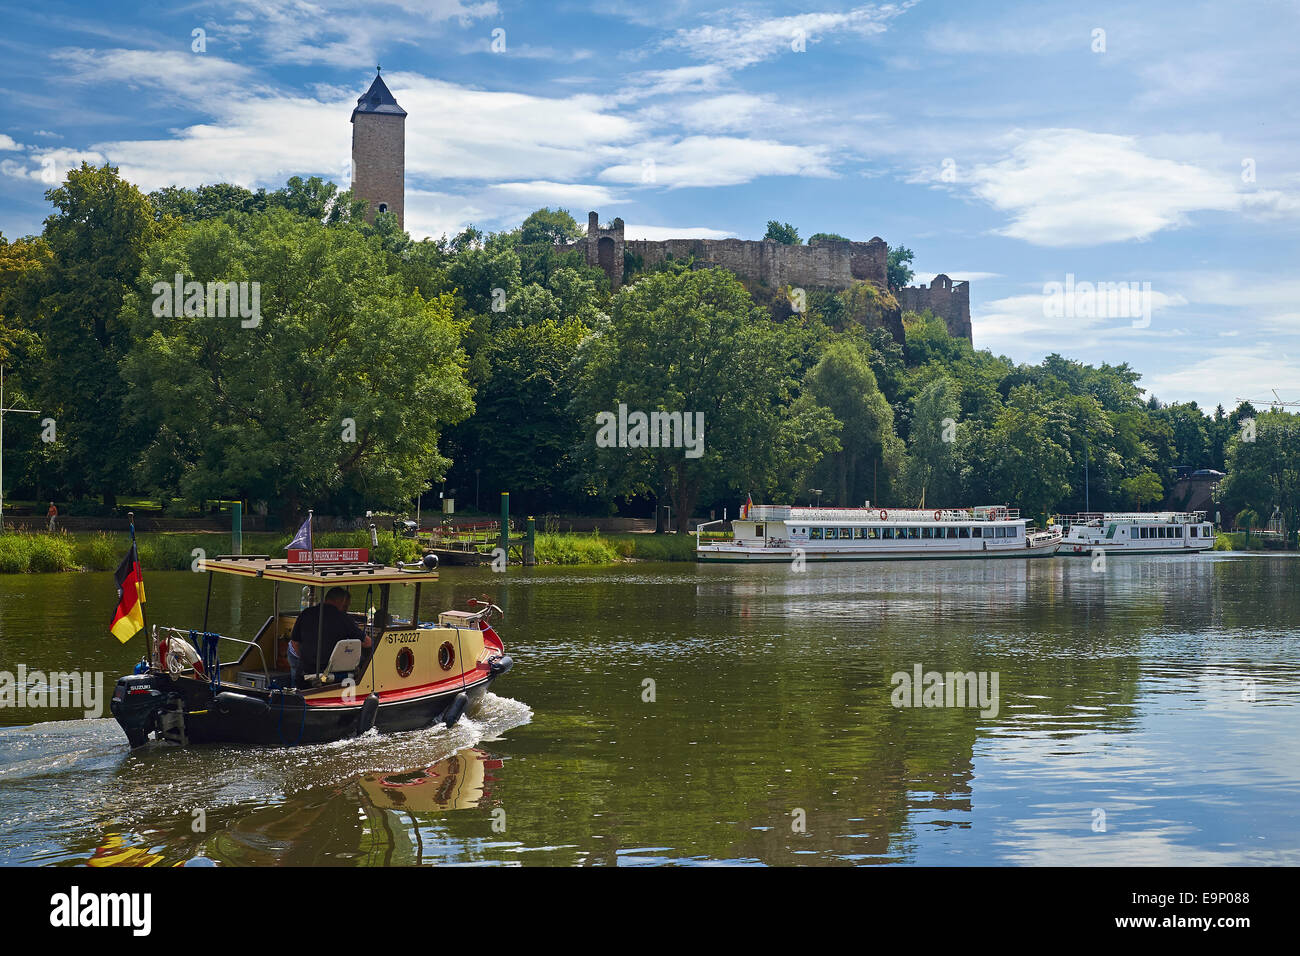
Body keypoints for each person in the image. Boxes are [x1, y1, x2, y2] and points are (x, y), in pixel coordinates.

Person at [288, 587, 371, 687]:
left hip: (305, 671)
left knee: (291, 651)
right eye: (346, 606)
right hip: (328, 673)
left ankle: (293, 689)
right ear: (341, 601)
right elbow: (367, 643)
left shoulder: (306, 613)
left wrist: (304, 660)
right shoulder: (343, 618)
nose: (346, 609)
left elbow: (295, 642)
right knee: (359, 659)